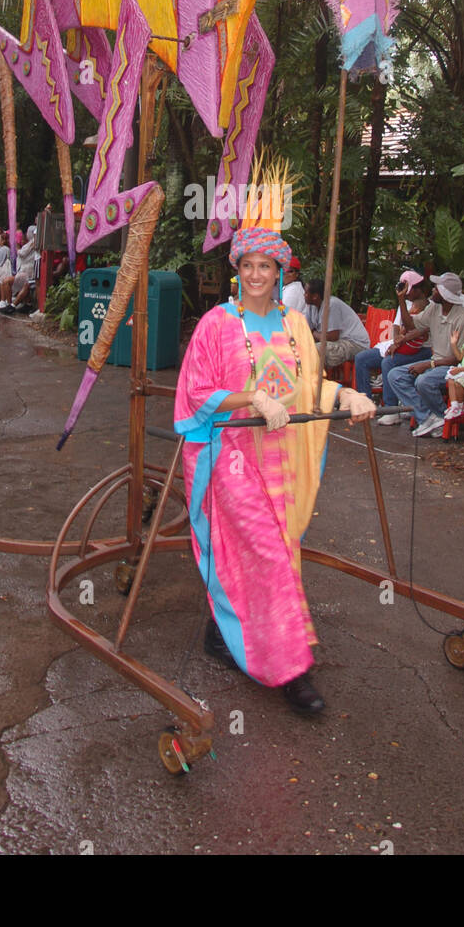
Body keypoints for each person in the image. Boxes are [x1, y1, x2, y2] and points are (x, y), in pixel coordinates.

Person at [174, 226, 375, 715]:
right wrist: (251, 397)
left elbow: (310, 385)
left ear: (279, 272)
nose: (256, 274)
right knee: (269, 554)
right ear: (236, 271)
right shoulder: (217, 324)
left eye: (265, 266)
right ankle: (291, 671)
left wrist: (344, 394)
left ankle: (222, 632)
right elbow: (195, 393)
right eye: (247, 266)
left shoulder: (295, 326)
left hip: (283, 459)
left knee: (279, 549)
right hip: (230, 455)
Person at [387, 271, 464, 437]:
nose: (433, 290)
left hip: (454, 367)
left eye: (437, 289)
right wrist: (401, 299)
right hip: (435, 363)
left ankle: (441, 418)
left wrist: (429, 365)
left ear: (445, 294)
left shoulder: (463, 318)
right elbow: (412, 325)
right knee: (395, 375)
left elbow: (460, 357)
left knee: (423, 381)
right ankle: (429, 418)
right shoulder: (435, 308)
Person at [352, 271, 432, 423]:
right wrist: (396, 340)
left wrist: (399, 342)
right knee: (362, 358)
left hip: (422, 350)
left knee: (389, 361)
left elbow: (415, 328)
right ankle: (365, 405)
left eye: (407, 290)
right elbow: (397, 324)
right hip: (402, 345)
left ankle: (391, 409)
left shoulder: (429, 307)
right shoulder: (407, 303)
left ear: (417, 289)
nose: (405, 294)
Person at [303, 279, 370, 368]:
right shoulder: (310, 306)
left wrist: (314, 333)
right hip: (336, 341)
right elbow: (306, 329)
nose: (304, 295)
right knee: (300, 347)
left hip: (355, 344)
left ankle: (315, 380)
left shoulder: (331, 304)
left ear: (315, 296)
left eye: (306, 293)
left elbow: (332, 337)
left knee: (316, 350)